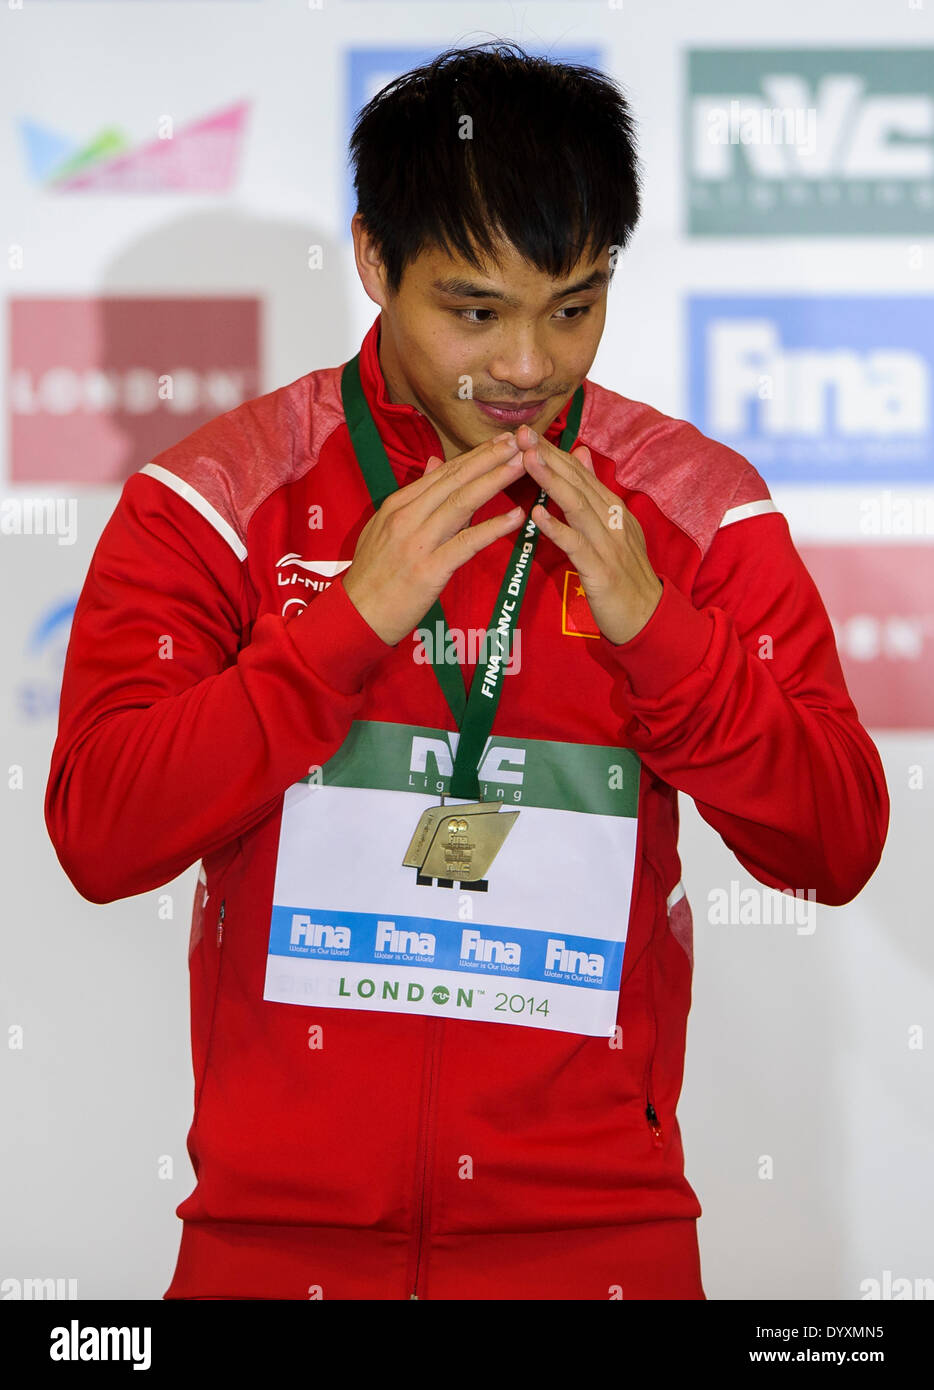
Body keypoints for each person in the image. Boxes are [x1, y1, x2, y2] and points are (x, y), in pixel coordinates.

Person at [44, 41, 889, 1300]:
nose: (528, 368)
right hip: (274, 1252)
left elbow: (836, 844)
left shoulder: (698, 512)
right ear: (375, 261)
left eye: (574, 305)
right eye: (474, 311)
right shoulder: (216, 499)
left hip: (604, 1253)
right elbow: (103, 836)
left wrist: (664, 642)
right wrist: (342, 629)